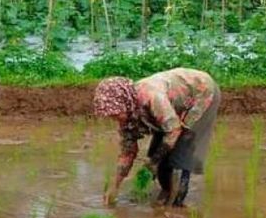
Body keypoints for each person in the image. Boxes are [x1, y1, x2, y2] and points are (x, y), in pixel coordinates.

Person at [94, 68, 220, 207]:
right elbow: (127, 153)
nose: (114, 118)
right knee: (157, 153)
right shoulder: (127, 112)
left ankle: (176, 205)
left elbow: (174, 131)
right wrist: (115, 185)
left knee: (181, 151)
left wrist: (154, 161)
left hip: (201, 92)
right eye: (111, 115)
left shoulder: (152, 96)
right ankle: (166, 192)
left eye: (115, 113)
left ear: (124, 102)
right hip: (169, 109)